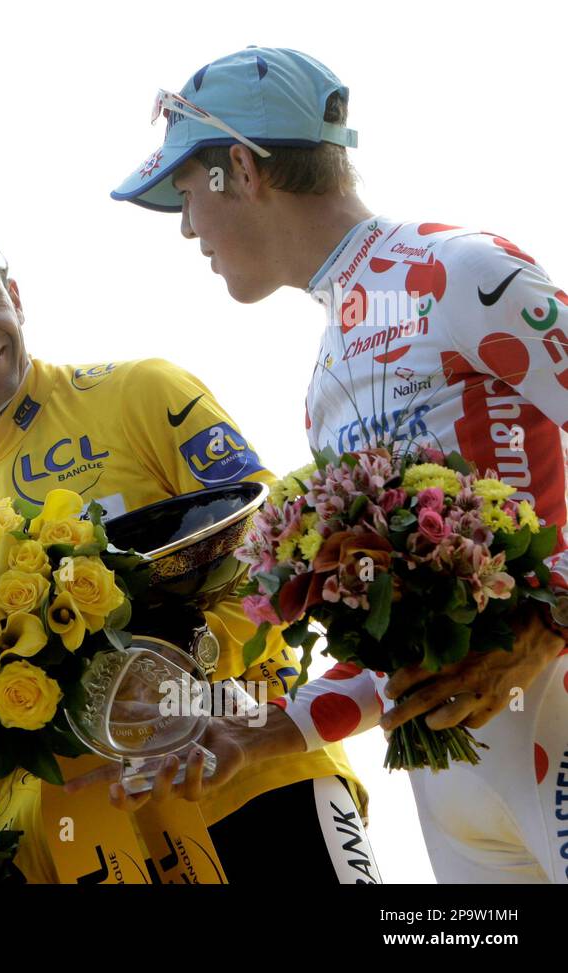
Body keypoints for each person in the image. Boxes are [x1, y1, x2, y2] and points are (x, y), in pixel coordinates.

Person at [104, 46, 568, 883]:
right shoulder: (324, 380)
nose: (184, 227)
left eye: (185, 193)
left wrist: (549, 620)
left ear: (240, 169)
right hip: (447, 785)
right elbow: (394, 656)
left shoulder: (456, 270)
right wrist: (263, 734)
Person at [0, 204, 380, 883]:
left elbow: (285, 548)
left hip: (269, 777)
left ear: (16, 296)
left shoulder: (142, 392)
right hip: (132, 844)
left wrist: (173, 679)